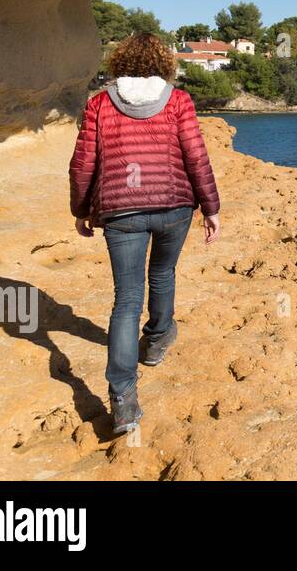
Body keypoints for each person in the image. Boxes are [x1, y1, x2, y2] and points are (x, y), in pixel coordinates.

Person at [68, 32, 221, 434]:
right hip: (173, 207)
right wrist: (211, 207)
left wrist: (81, 210)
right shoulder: (179, 101)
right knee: (163, 274)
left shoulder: (100, 103)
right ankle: (154, 343)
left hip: (121, 210)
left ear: (119, 64)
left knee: (126, 300)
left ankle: (122, 401)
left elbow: (83, 162)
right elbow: (196, 156)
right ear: (163, 65)